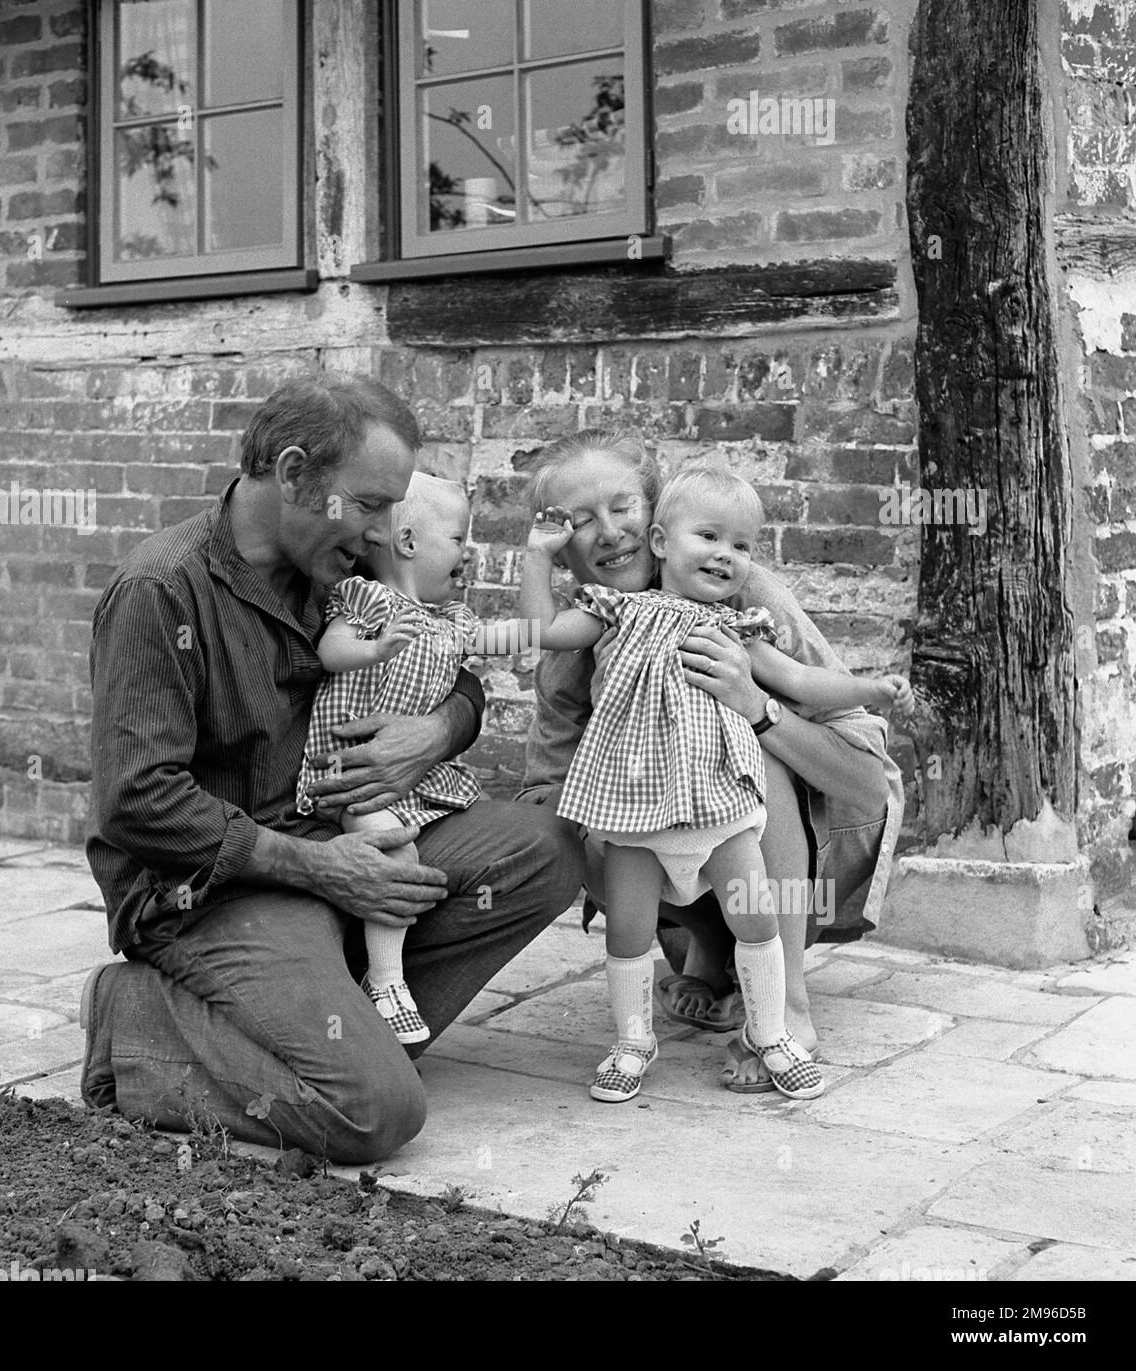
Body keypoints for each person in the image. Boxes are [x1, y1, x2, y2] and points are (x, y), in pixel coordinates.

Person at [80, 375, 583, 1164]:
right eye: (373, 503)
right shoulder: (160, 591)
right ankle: (137, 1023)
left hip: (342, 838)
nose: (387, 529)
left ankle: (334, 1018)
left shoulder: (340, 570)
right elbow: (136, 801)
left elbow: (450, 659)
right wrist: (320, 869)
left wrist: (437, 729)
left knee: (547, 844)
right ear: (291, 473)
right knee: (374, 1114)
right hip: (217, 889)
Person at [515, 429, 906, 1093]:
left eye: (623, 507)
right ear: (561, 543)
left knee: (747, 750)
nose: (610, 533)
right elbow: (546, 791)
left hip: (812, 828)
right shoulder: (586, 632)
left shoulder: (739, 592)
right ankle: (710, 951)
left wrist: (757, 707)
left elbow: (867, 784)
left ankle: (786, 1012)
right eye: (581, 520)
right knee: (588, 816)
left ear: (657, 514)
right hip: (673, 834)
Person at [296, 472, 495, 1045]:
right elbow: (331, 651)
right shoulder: (371, 601)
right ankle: (384, 982)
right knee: (394, 846)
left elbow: (519, 637)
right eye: (458, 539)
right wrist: (375, 649)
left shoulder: (448, 621)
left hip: (416, 776)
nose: (468, 552)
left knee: (435, 845)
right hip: (348, 770)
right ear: (408, 544)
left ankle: (384, 964)